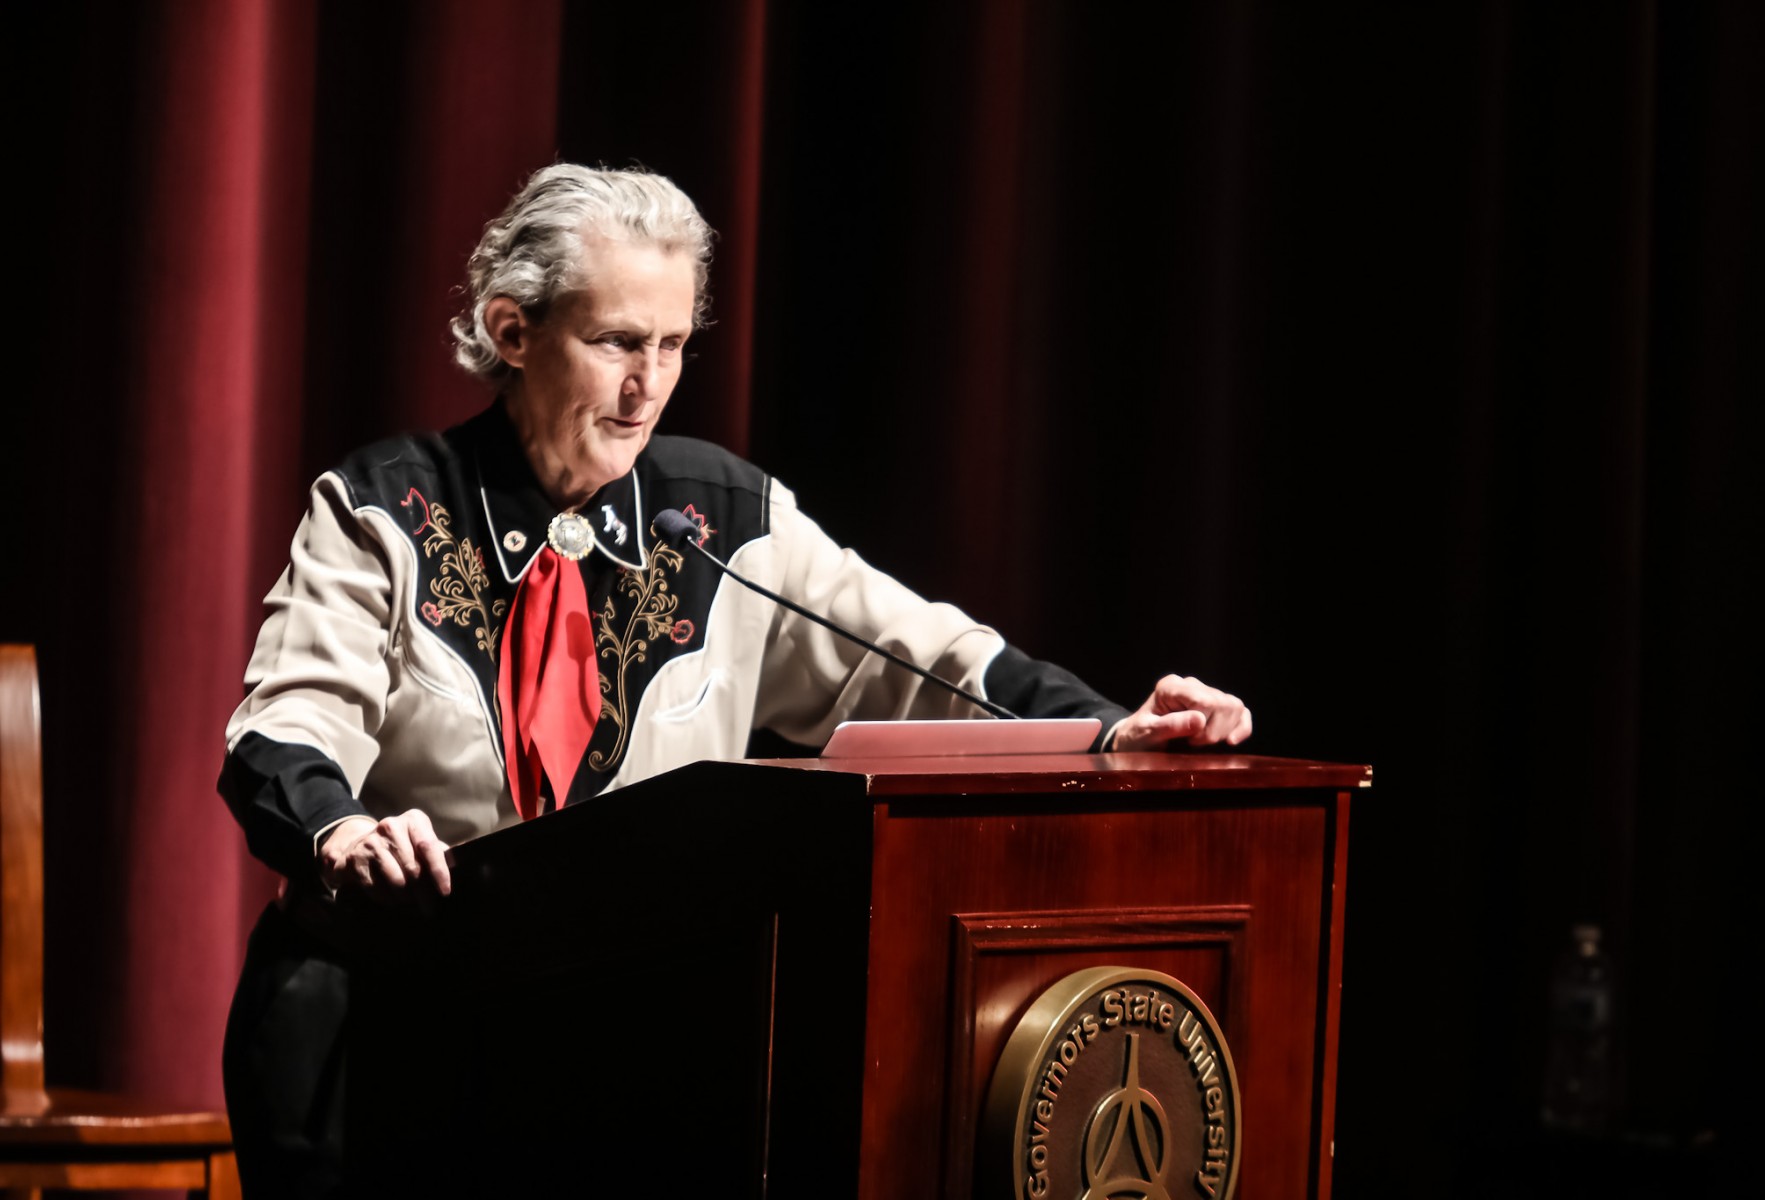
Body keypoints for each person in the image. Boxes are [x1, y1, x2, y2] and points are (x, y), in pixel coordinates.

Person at [219, 163, 1251, 1197]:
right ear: (512, 331)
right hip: (381, 1042)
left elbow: (933, 663)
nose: (648, 386)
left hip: (622, 1065)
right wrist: (342, 831)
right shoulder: (383, 512)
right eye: (618, 341)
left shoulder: (724, 519)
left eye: (672, 346)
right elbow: (285, 731)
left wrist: (1116, 729)